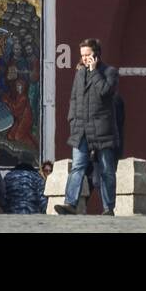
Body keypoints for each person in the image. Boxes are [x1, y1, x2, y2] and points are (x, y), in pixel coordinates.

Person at [55, 38, 120, 216]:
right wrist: (72, 120)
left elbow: (105, 92)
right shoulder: (79, 73)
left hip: (102, 130)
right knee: (77, 167)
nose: (84, 59)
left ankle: (108, 208)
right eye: (82, 55)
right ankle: (70, 203)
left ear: (96, 55)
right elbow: (74, 99)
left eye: (88, 55)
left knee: (106, 170)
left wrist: (94, 72)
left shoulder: (110, 72)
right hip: (81, 129)